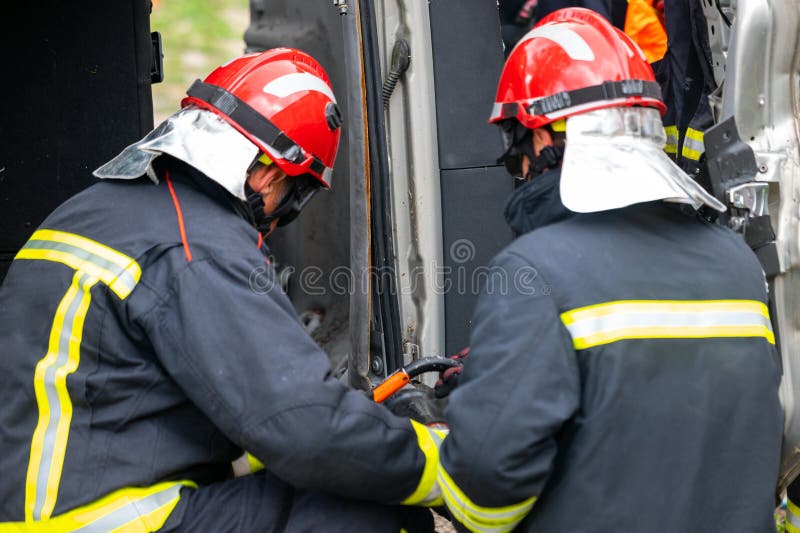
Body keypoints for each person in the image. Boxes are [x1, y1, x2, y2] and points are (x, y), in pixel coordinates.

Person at [0, 49, 443, 532]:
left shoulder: (93, 211)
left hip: (44, 508)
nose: (280, 217)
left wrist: (346, 424)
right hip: (109, 520)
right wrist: (441, 465)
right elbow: (304, 430)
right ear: (270, 174)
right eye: (294, 197)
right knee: (368, 513)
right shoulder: (199, 246)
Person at [437, 8, 782, 532]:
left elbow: (483, 502)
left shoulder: (534, 274)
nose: (520, 168)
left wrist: (460, 416)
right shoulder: (738, 264)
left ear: (545, 140)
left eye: (516, 150)